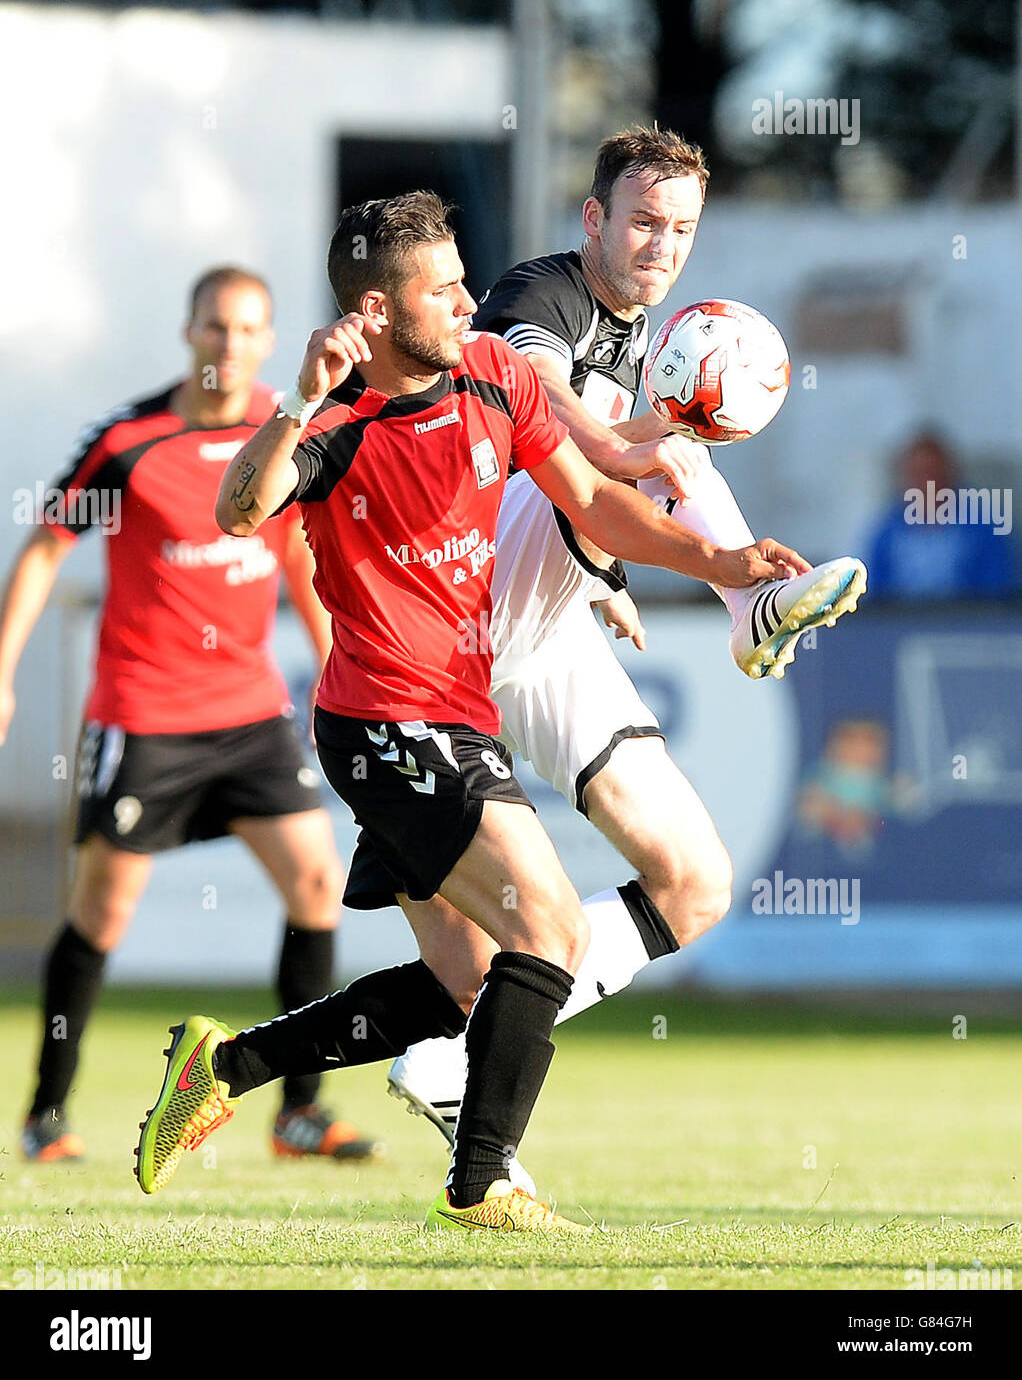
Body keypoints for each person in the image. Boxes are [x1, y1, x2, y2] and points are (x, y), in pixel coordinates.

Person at [133, 190, 809, 1232]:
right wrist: (293, 403)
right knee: (543, 924)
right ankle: (482, 1179)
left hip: (455, 709)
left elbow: (589, 498)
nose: (465, 302)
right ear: (374, 309)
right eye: (442, 289)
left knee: (474, 983)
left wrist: (719, 561)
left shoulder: (492, 373)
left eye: (462, 278)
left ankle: (223, 1066)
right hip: (382, 723)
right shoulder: (339, 419)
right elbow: (239, 510)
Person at [372, 126, 866, 1157]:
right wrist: (646, 456)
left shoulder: (651, 333)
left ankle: (457, 1057)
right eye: (642, 219)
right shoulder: (534, 294)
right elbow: (546, 418)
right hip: (461, 618)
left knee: (694, 884)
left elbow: (590, 475)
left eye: (679, 227)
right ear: (593, 218)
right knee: (658, 432)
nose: (659, 243)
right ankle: (749, 613)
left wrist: (600, 580)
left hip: (544, 632)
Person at [0, 267, 380, 1165]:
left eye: (250, 330)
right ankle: (46, 1115)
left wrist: (343, 676)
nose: (231, 345)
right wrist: (4, 668)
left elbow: (301, 568)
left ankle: (299, 1114)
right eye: (217, 327)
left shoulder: (284, 434)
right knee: (103, 912)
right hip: (144, 713)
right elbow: (47, 547)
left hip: (250, 713)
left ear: (268, 339)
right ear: (189, 332)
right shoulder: (130, 442)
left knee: (318, 886)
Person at [865, 430, 1018, 599]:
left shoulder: (984, 529)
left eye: (932, 472)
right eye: (918, 474)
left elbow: (1000, 592)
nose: (926, 483)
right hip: (903, 623)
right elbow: (876, 594)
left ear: (950, 474)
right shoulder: (887, 534)